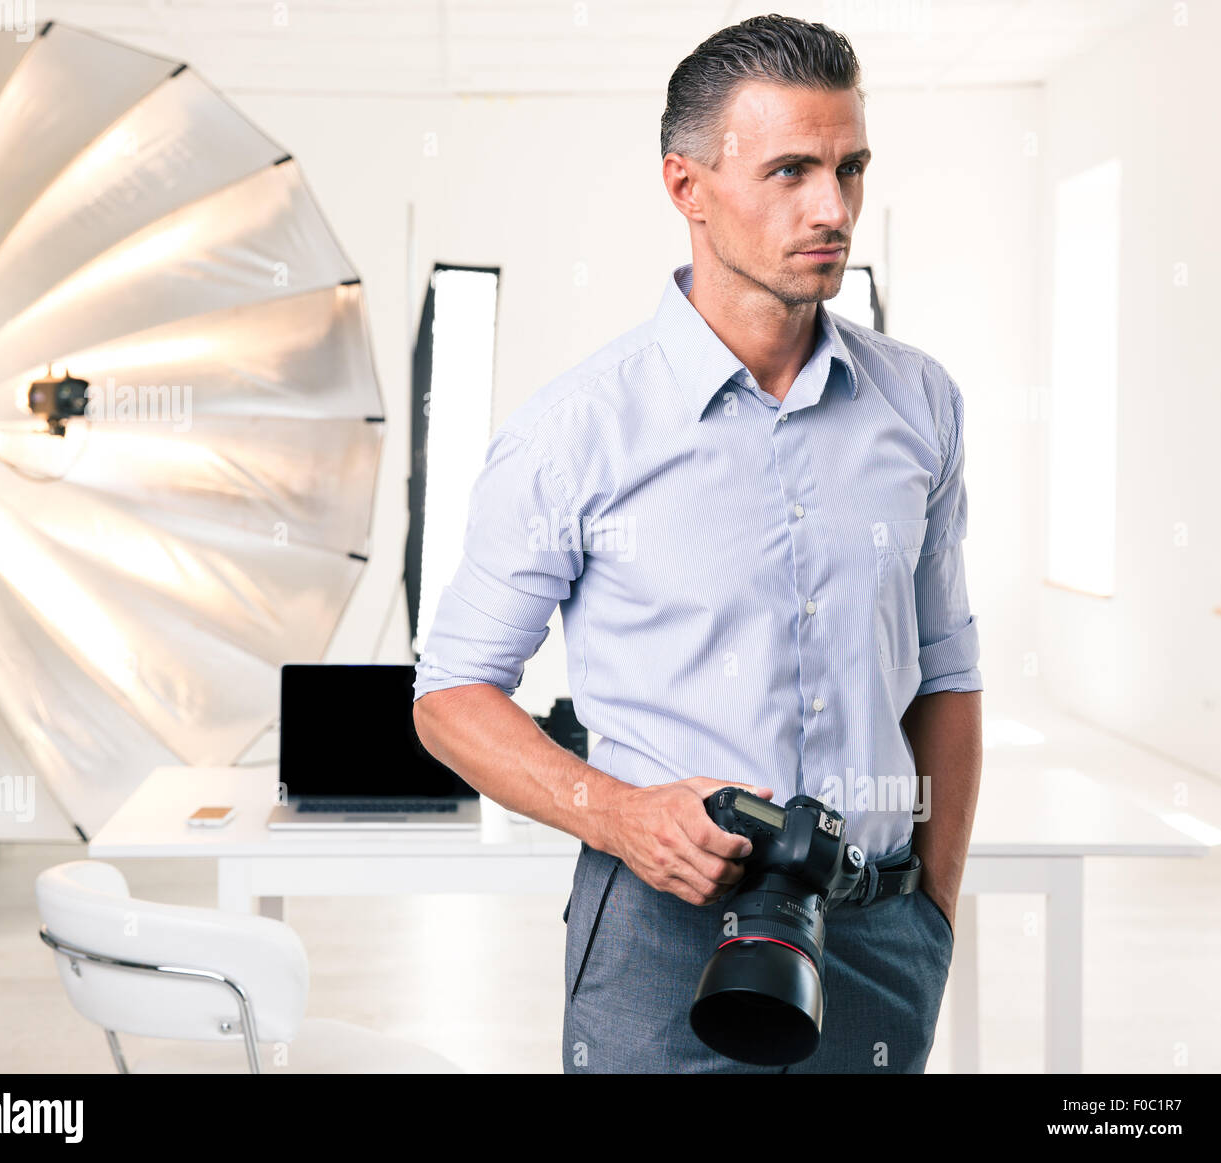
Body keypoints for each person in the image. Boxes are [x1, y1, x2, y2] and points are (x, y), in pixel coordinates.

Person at [413, 14, 983, 1073]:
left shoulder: (921, 403)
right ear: (689, 187)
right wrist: (617, 814)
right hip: (659, 940)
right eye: (790, 171)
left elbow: (945, 670)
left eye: (850, 168)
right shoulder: (574, 431)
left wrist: (932, 909)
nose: (833, 208)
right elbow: (450, 694)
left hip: (877, 935)